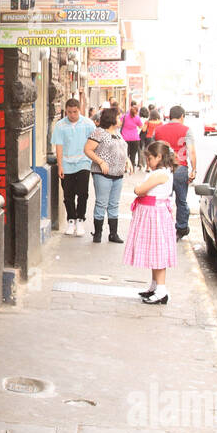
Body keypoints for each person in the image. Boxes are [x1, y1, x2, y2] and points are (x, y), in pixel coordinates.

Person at [123, 139, 178, 304]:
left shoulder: (160, 174)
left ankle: (161, 290)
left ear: (159, 157)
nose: (148, 161)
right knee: (154, 251)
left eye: (150, 158)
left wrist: (137, 187)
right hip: (153, 214)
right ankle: (155, 286)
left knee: (158, 252)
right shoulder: (162, 173)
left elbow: (140, 190)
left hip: (155, 215)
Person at [84, 106, 131, 243]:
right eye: (118, 117)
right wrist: (100, 162)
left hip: (118, 174)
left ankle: (113, 234)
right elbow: (87, 149)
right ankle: (98, 234)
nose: (120, 119)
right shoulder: (99, 132)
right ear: (111, 118)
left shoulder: (117, 133)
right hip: (102, 174)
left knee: (114, 204)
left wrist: (127, 161)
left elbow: (121, 149)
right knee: (101, 203)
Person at [52, 97, 95, 236]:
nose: (72, 115)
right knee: (68, 195)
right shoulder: (60, 125)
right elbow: (59, 146)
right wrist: (60, 166)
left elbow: (94, 143)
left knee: (83, 193)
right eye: (69, 112)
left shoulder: (88, 124)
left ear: (79, 110)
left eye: (75, 112)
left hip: (83, 162)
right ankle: (71, 220)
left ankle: (80, 220)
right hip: (66, 163)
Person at [153, 104, 197, 240]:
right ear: (182, 116)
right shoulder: (186, 130)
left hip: (163, 168)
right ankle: (181, 228)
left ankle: (162, 227)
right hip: (180, 168)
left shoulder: (158, 130)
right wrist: (194, 169)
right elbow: (192, 151)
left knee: (163, 199)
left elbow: (154, 149)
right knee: (181, 200)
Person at [120, 101, 143, 170]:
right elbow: (141, 126)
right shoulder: (137, 118)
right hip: (135, 138)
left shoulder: (124, 117)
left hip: (125, 138)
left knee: (125, 154)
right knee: (133, 154)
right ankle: (132, 168)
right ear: (136, 112)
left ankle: (125, 168)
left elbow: (119, 124)